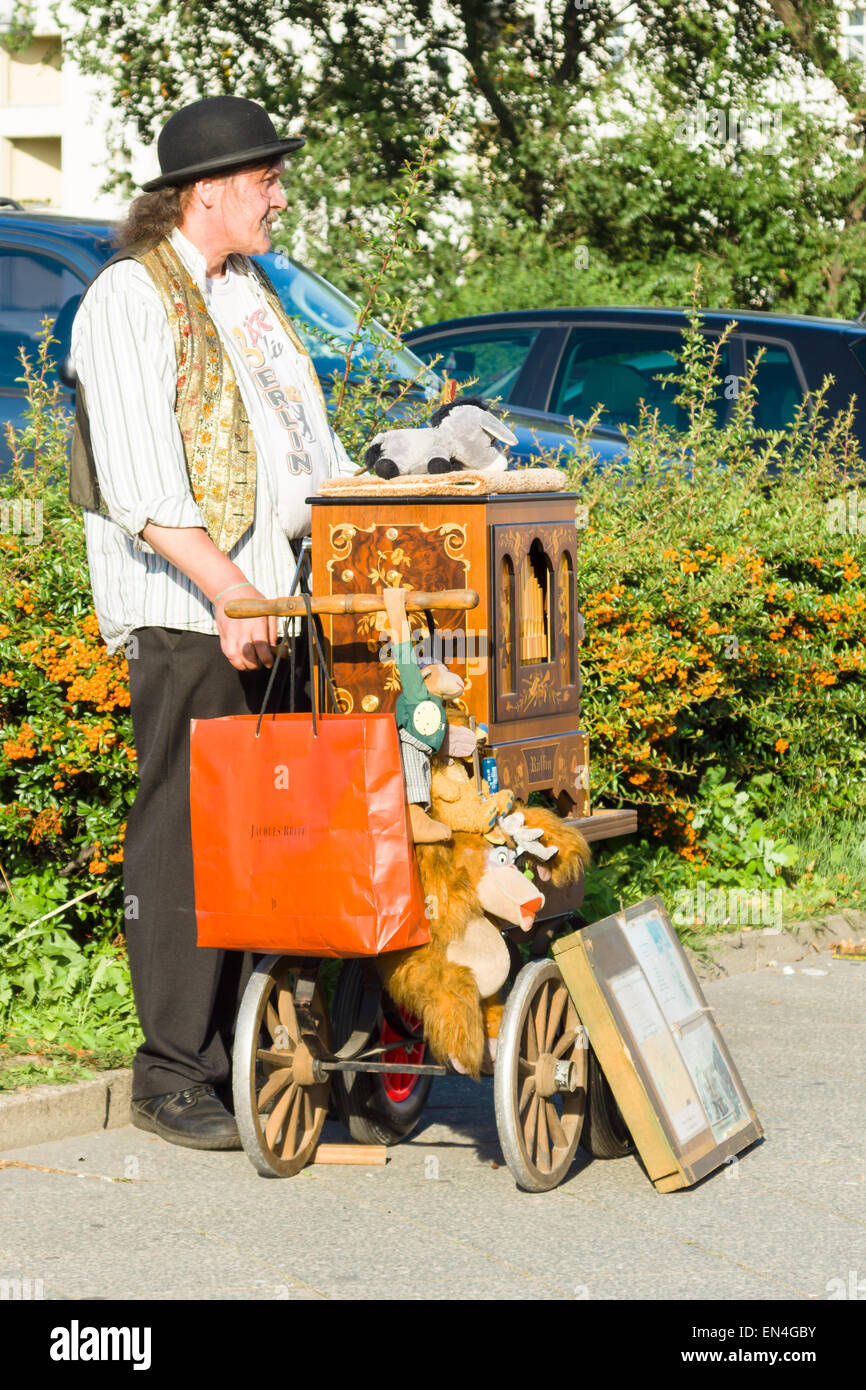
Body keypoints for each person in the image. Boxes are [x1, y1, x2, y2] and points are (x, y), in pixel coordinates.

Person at [70, 95, 356, 1149]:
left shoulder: (251, 293)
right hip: (191, 611)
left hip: (274, 604)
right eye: (265, 180)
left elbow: (302, 447)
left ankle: (252, 1046)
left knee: (274, 842)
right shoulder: (128, 299)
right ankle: (170, 1072)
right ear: (205, 192)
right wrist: (229, 593)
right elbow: (141, 486)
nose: (280, 195)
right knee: (186, 840)